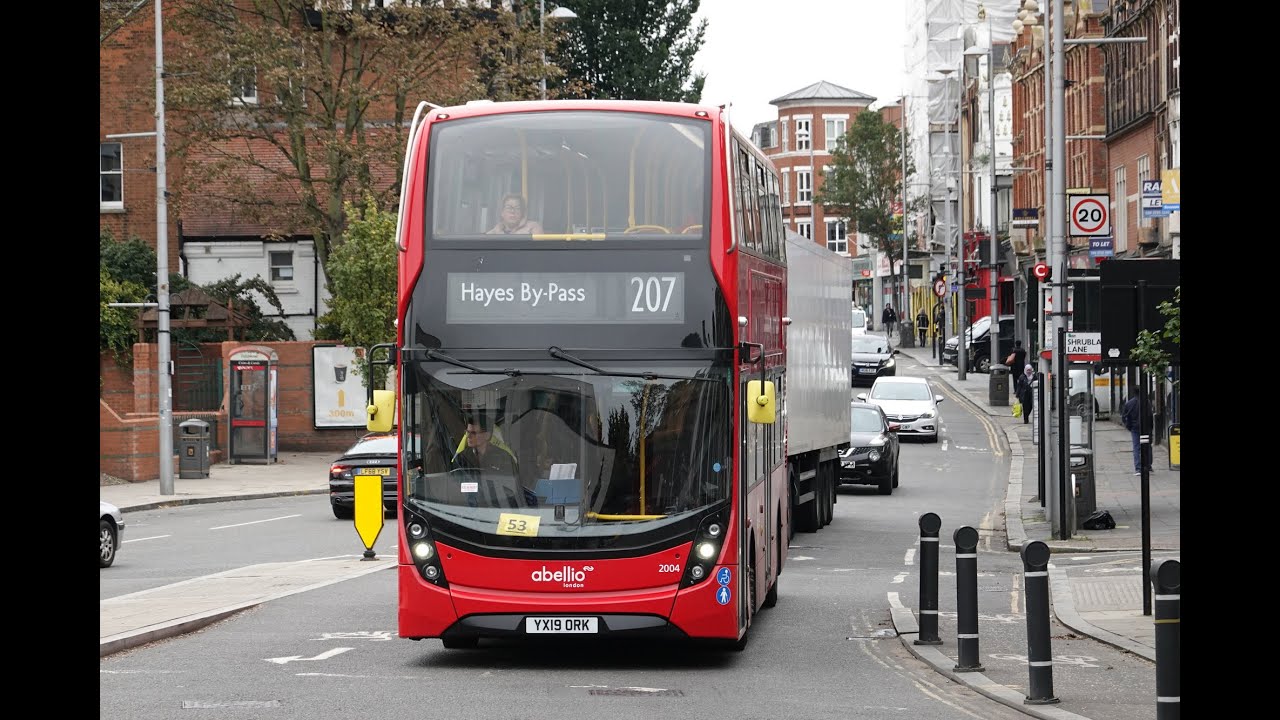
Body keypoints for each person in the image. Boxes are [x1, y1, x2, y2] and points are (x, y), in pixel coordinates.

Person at [452, 414, 519, 479]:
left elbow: (512, 484)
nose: (468, 436)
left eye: (473, 433)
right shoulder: (463, 456)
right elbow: (454, 480)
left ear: (487, 435)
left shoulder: (504, 458)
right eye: (467, 432)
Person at [1121, 393, 1152, 475]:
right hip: (1145, 428)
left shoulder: (1129, 403)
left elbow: (1124, 416)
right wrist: (1150, 427)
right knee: (1147, 445)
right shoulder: (1147, 402)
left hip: (1135, 428)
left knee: (1136, 447)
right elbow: (1150, 415)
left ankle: (1138, 468)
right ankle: (1148, 465)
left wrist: (1128, 426)